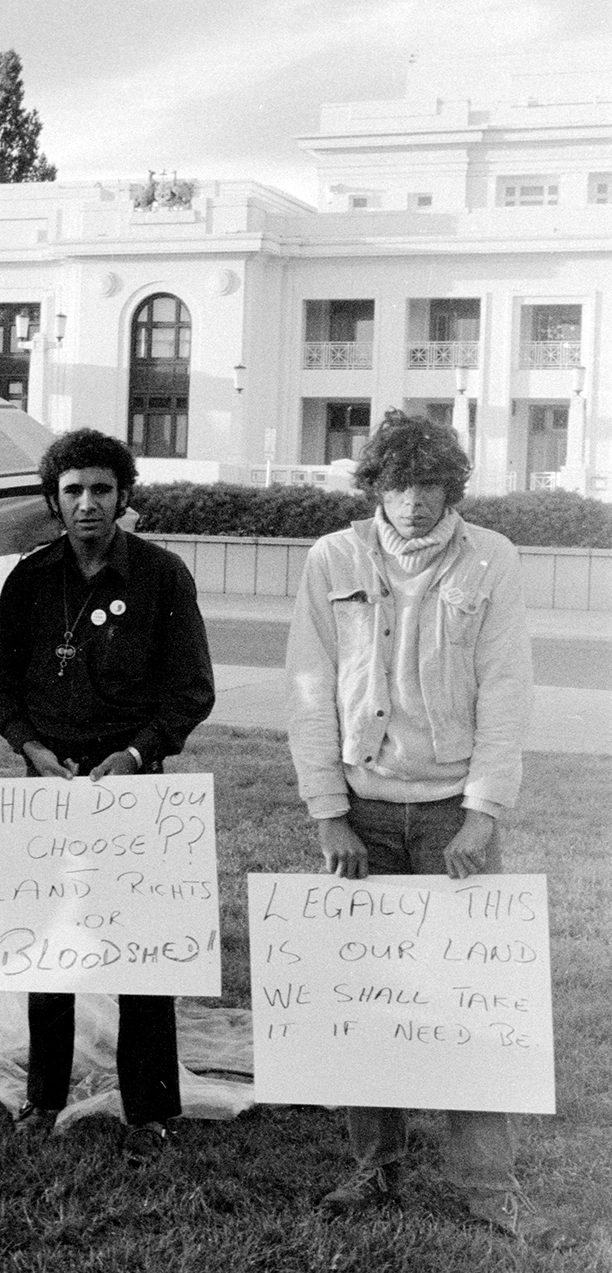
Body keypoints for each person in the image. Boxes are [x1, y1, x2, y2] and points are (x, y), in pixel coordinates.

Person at [287, 411, 571, 1248]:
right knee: (365, 999)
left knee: (472, 1000)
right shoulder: (331, 558)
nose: (413, 503)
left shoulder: (494, 557)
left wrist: (483, 811)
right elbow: (308, 686)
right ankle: (373, 1166)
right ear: (374, 485)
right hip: (362, 810)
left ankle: (490, 1182)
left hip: (453, 811)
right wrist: (327, 811)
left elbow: (507, 687)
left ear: (454, 487)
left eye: (430, 484)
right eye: (396, 483)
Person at [0, 427, 216, 1160]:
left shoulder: (163, 576)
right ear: (54, 499)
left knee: (141, 955)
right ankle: (43, 1095)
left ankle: (148, 1110)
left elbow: (191, 689)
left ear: (123, 496)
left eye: (101, 490)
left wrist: (139, 752)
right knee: (48, 948)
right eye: (73, 490)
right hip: (48, 787)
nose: (87, 504)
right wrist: (30, 745)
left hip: (134, 789)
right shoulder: (28, 579)